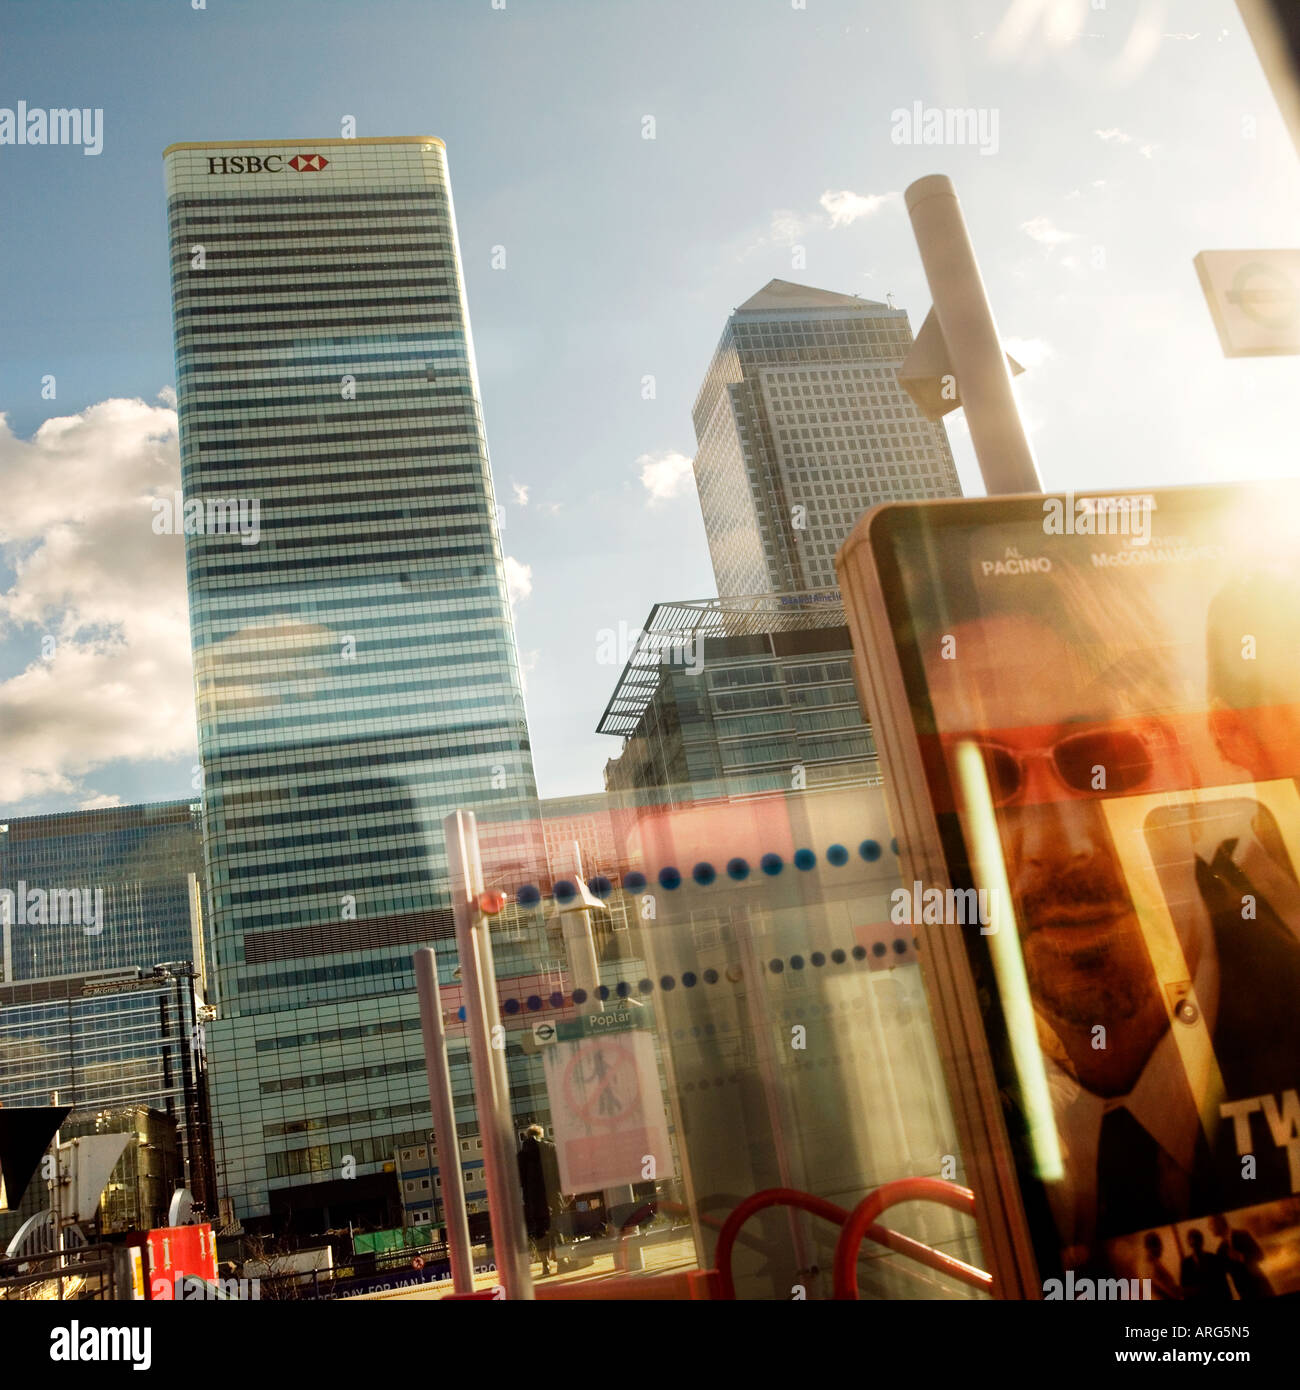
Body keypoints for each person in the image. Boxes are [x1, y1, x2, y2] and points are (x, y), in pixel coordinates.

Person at [918, 554, 1300, 1269]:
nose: (1055, 847)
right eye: (984, 776)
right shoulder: (932, 1092)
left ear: (1183, 767)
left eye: (1103, 758)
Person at [516, 1123, 562, 1276]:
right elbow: (559, 1171)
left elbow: (520, 1180)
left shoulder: (522, 1155)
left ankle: (545, 1265)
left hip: (534, 1199)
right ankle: (561, 1261)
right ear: (541, 1134)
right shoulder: (551, 1147)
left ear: (527, 1137)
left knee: (540, 1231)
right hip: (553, 1194)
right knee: (556, 1227)